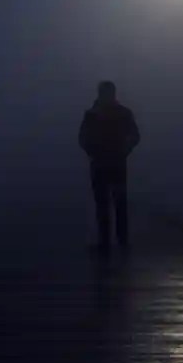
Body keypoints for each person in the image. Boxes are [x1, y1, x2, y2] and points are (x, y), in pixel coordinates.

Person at [78, 80, 140, 248]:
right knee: (111, 204)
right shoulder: (117, 113)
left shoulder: (93, 114)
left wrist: (94, 152)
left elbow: (83, 138)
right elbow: (134, 136)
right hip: (112, 163)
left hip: (106, 163)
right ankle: (116, 241)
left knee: (110, 204)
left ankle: (111, 241)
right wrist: (124, 150)